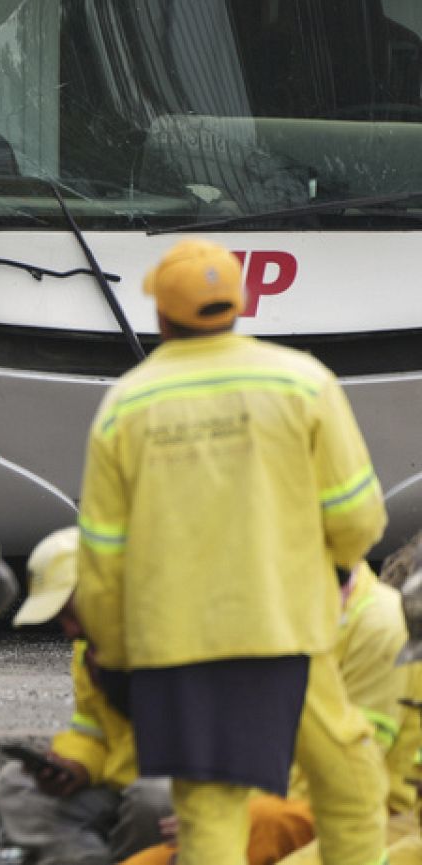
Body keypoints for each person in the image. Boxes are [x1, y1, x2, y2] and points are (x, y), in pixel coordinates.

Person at [76, 239, 389, 865]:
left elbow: (103, 559)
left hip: (175, 647)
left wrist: (114, 652)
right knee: (350, 782)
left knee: (209, 811)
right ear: (241, 306)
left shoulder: (126, 406)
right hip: (287, 633)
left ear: (160, 318)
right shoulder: (303, 383)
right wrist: (328, 572)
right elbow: (358, 519)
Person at [118, 558, 415, 865]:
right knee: (152, 804)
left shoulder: (380, 626)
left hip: (336, 807)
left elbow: (349, 773)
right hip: (276, 797)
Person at [0, 528, 172, 865]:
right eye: (60, 620)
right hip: (123, 785)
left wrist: (128, 684)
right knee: (18, 787)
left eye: (71, 612)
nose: (70, 630)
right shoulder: (88, 651)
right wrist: (75, 765)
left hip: (181, 792)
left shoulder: (176, 637)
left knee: (153, 798)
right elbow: (92, 732)